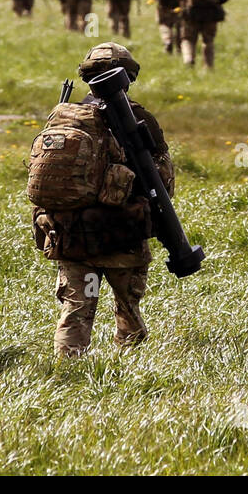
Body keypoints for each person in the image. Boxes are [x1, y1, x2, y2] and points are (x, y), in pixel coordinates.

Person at [29, 43, 174, 356]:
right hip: (121, 234)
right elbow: (163, 179)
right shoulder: (137, 118)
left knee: (76, 310)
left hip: (70, 234)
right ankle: (130, 371)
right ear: (129, 77)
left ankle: (67, 372)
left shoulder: (63, 117)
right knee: (128, 309)